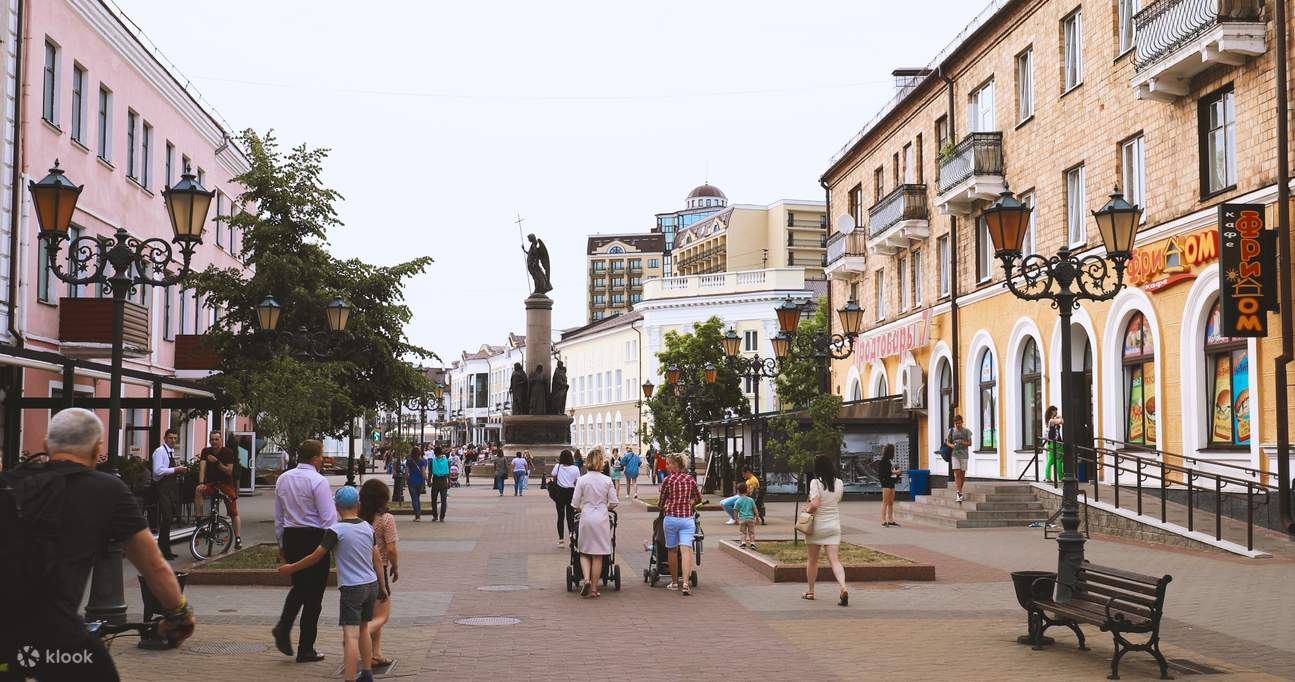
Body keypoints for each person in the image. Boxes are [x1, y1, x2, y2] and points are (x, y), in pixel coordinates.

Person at [0, 408, 194, 681]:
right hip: (55, 633)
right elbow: (154, 565)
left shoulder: (10, 483)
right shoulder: (107, 489)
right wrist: (179, 614)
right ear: (96, 448)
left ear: (46, 445)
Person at [278, 486, 388, 682]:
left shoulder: (335, 531)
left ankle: (349, 677)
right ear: (358, 505)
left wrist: (291, 568)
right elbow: (377, 559)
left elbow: (315, 557)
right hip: (370, 584)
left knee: (350, 636)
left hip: (351, 588)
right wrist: (383, 586)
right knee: (364, 629)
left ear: (337, 507)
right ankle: (367, 673)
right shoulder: (367, 527)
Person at [273, 439, 339, 663]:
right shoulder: (318, 481)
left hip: (291, 536)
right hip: (314, 537)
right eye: (321, 456)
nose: (322, 460)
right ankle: (306, 647)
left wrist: (281, 544)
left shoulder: (283, 479)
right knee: (314, 595)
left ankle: (284, 627)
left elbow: (279, 516)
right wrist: (332, 546)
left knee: (300, 586)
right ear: (314, 458)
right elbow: (329, 519)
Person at [358, 479, 398, 671]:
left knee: (370, 614)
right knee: (382, 615)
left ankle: (376, 653)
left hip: (358, 569)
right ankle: (357, 637)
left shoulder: (358, 517)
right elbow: (391, 549)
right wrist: (395, 567)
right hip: (378, 569)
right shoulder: (386, 519)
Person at [571, 449, 619, 597]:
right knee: (598, 555)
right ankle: (593, 589)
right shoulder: (607, 480)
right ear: (601, 463)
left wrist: (582, 508)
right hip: (601, 518)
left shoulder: (582, 480)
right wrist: (605, 507)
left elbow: (574, 503)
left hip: (586, 517)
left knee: (584, 552)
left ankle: (586, 579)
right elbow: (614, 502)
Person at [803, 453, 848, 606]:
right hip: (833, 525)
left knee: (812, 560)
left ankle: (811, 592)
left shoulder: (815, 483)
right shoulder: (839, 483)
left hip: (817, 526)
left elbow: (815, 504)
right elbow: (837, 500)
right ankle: (843, 587)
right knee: (835, 560)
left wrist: (806, 509)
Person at [658, 453, 701, 596]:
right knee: (686, 550)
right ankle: (686, 583)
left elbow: (661, 501)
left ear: (675, 465)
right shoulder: (690, 479)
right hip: (687, 519)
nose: (666, 466)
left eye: (668, 463)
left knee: (672, 550)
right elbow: (698, 498)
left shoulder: (668, 480)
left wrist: (663, 505)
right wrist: (691, 502)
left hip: (671, 518)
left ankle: (675, 582)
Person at [194, 429, 242, 549]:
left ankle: (237, 538)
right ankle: (199, 519)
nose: (214, 442)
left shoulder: (228, 452)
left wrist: (216, 462)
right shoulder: (206, 451)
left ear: (221, 440)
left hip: (226, 484)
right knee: (198, 490)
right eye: (212, 439)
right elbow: (202, 468)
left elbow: (229, 471)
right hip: (212, 484)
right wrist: (201, 482)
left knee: (233, 512)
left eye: (216, 439)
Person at [150, 428, 188, 559]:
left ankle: (165, 550)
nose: (173, 440)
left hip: (171, 488)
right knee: (166, 518)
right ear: (165, 438)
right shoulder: (160, 451)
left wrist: (179, 470)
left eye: (175, 438)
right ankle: (163, 551)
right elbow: (157, 471)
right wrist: (175, 470)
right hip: (162, 488)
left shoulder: (171, 452)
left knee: (169, 519)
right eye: (170, 438)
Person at [551, 450, 581, 546]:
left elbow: (554, 477)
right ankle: (571, 538)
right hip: (571, 493)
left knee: (560, 517)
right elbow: (577, 482)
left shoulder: (557, 467)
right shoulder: (575, 469)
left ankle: (561, 540)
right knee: (570, 517)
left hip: (560, 493)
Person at [945, 415, 973, 503]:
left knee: (962, 474)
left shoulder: (967, 431)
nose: (957, 425)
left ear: (962, 422)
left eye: (959, 423)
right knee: (957, 473)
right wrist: (951, 445)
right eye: (956, 423)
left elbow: (970, 443)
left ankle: (960, 491)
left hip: (964, 455)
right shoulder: (951, 431)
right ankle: (959, 493)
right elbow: (947, 442)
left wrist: (962, 442)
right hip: (955, 455)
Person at [877, 444, 901, 527]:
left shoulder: (891, 461)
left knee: (891, 502)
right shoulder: (883, 461)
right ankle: (883, 520)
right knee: (885, 502)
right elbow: (883, 473)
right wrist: (895, 472)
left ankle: (891, 520)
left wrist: (898, 472)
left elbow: (893, 470)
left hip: (892, 482)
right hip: (886, 483)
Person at [734, 482, 758, 549]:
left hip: (742, 519)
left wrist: (736, 519)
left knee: (743, 532)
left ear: (738, 492)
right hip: (751, 518)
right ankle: (752, 544)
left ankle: (743, 543)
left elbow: (735, 510)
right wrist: (757, 516)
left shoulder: (738, 501)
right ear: (747, 490)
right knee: (751, 532)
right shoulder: (751, 500)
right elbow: (755, 509)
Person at [405, 449, 427, 521]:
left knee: (414, 499)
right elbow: (423, 473)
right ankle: (418, 515)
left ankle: (417, 516)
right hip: (420, 482)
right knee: (417, 498)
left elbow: (407, 472)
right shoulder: (422, 462)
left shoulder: (409, 461)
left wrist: (406, 479)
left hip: (411, 481)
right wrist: (427, 480)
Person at [1044, 406, 1064, 483]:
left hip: (1051, 443)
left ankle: (1048, 477)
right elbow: (1062, 421)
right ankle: (1060, 477)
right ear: (1052, 411)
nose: (1056, 412)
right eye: (1055, 411)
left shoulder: (1050, 421)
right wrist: (1060, 417)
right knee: (1059, 460)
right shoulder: (1052, 420)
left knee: (1050, 461)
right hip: (1056, 443)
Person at [429, 448, 450, 522]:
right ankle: (442, 517)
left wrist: (429, 481)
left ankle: (435, 516)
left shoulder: (432, 461)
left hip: (435, 480)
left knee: (434, 499)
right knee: (443, 500)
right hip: (443, 480)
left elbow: (430, 472)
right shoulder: (446, 461)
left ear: (435, 454)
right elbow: (448, 472)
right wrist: (449, 481)